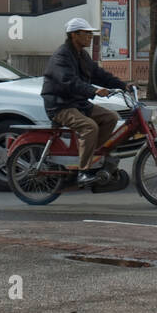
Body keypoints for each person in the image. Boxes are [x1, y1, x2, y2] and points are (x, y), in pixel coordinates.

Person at [41, 17, 128, 186]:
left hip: (77, 103)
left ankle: (92, 155)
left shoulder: (82, 55)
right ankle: (83, 171)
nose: (90, 37)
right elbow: (69, 81)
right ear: (74, 35)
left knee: (111, 117)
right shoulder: (62, 56)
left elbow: (99, 74)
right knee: (90, 127)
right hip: (60, 105)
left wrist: (123, 85)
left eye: (90, 33)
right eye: (87, 33)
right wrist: (94, 90)